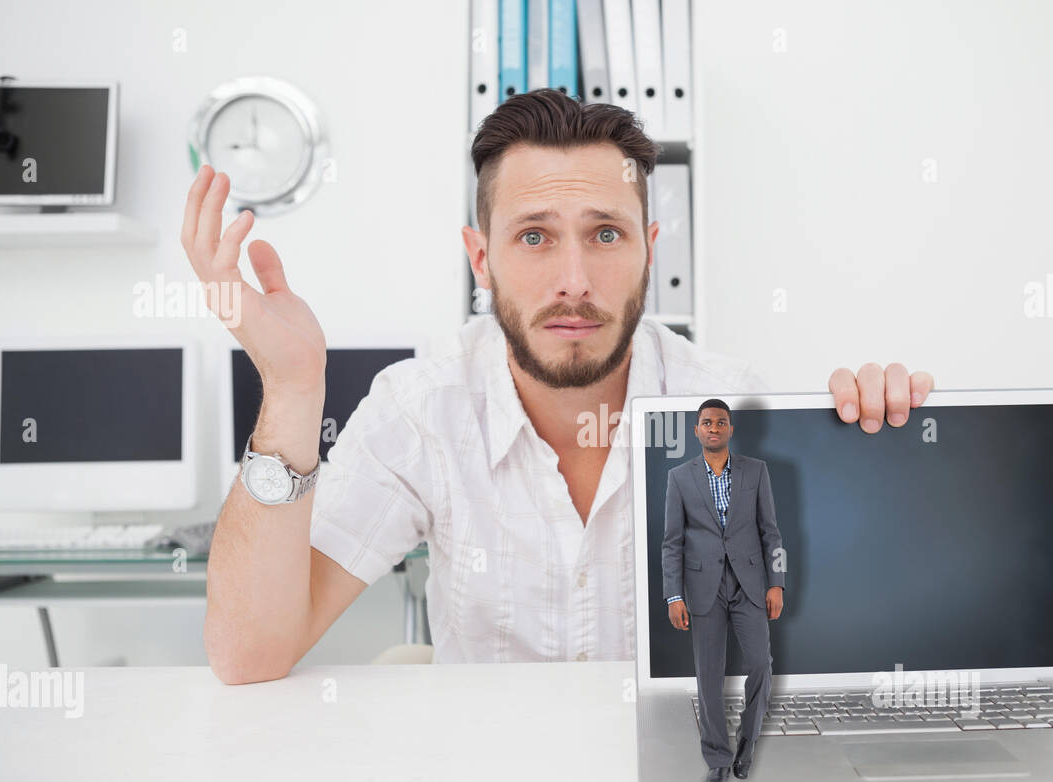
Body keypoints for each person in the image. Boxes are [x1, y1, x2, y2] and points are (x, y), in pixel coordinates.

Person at [179, 88, 933, 682]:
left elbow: (852, 641)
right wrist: (291, 389)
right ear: (481, 259)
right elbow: (251, 656)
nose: (573, 283)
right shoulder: (421, 408)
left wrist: (880, 461)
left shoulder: (734, 408)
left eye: (606, 233)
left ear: (648, 252)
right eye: (533, 235)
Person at [663, 399, 784, 782]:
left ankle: (745, 749)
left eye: (721, 422)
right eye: (706, 422)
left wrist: (776, 582)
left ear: (730, 430)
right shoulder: (679, 478)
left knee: (761, 665)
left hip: (749, 585)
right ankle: (717, 759)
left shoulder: (756, 471)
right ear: (697, 431)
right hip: (703, 589)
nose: (713, 428)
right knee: (709, 677)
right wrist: (672, 595)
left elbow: (771, 533)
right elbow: (672, 543)